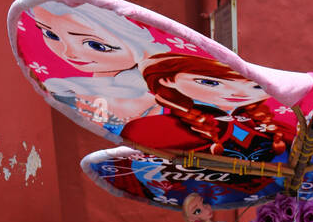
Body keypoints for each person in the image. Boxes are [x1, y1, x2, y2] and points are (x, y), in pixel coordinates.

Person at [124, 54, 294, 163]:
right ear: (168, 79)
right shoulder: (155, 128)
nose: (239, 93)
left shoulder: (278, 125)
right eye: (210, 82)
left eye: (257, 87)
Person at [26, 0, 162, 129]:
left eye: (96, 45)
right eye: (51, 34)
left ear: (141, 49)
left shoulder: (151, 104)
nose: (69, 53)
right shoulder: (64, 89)